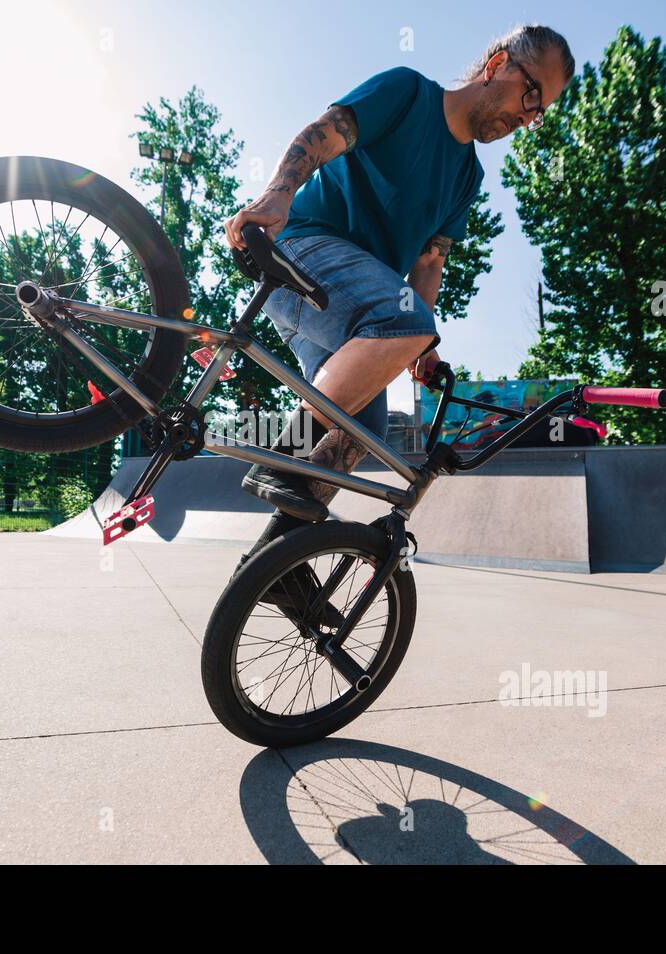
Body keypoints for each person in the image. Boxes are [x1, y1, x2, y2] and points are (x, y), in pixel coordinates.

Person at [224, 24, 575, 585]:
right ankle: (279, 466)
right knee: (404, 323)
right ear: (499, 65)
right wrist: (277, 194)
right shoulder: (408, 93)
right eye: (531, 94)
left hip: (349, 310)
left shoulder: (467, 177)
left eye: (542, 111)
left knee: (364, 427)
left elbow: (429, 264)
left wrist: (421, 348)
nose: (529, 118)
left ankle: (275, 563)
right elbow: (325, 132)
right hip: (302, 252)